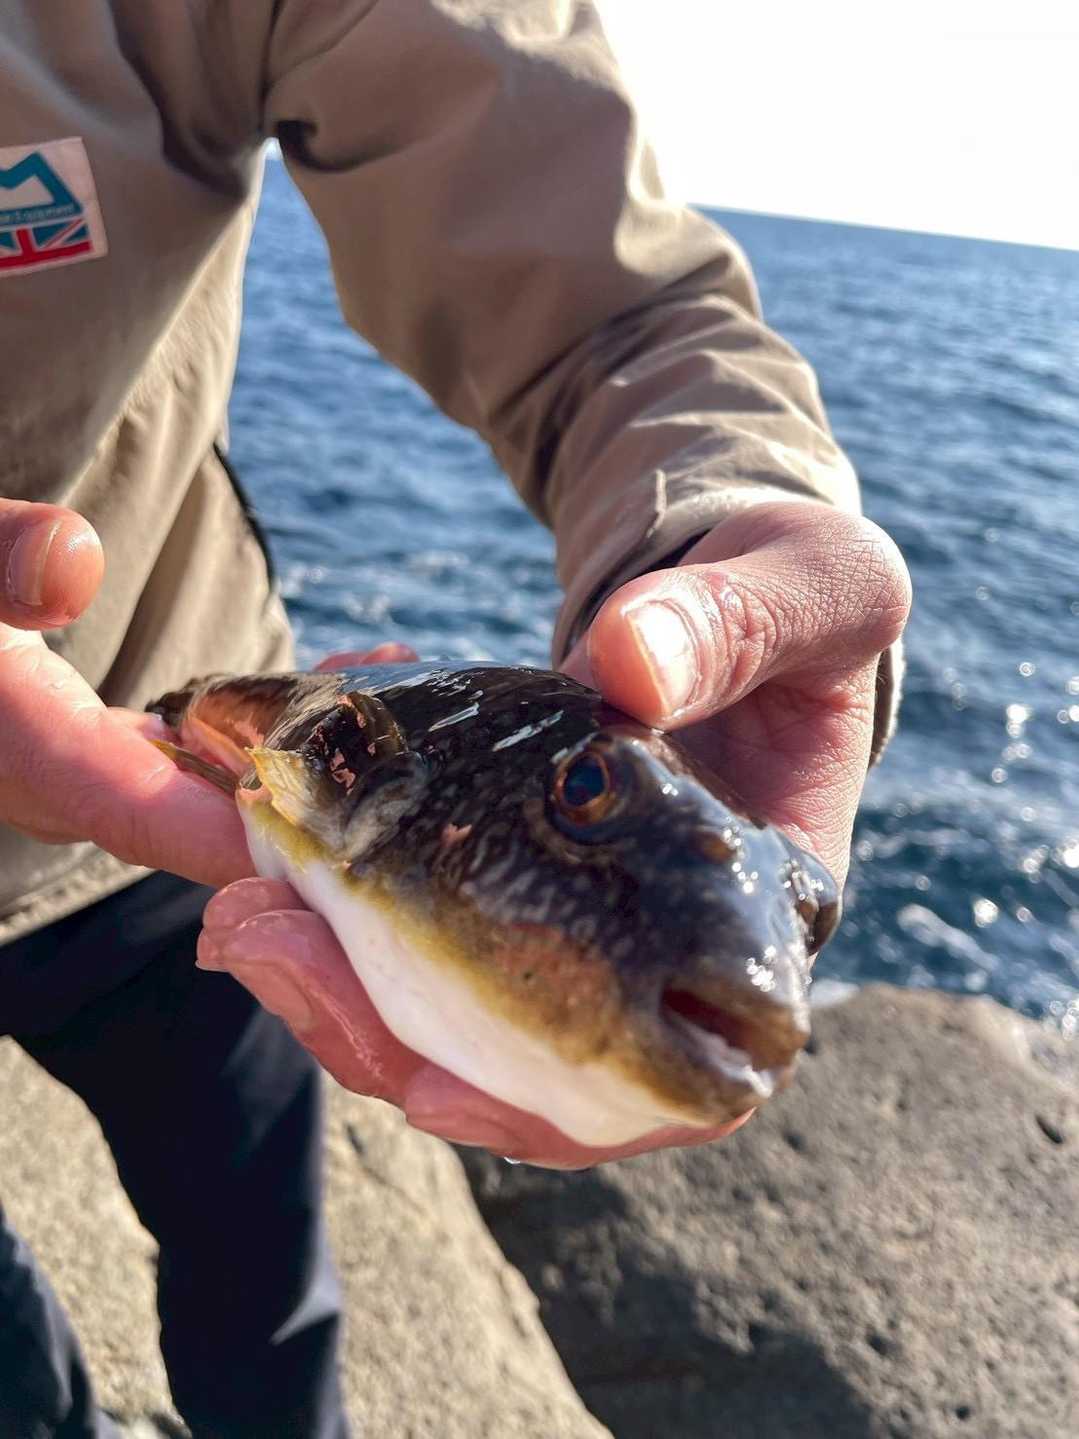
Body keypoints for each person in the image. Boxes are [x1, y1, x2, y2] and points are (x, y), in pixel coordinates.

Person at [0, 2, 911, 1435]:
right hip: (206, 761)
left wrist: (727, 508)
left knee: (260, 1270)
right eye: (587, 807)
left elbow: (600, 287)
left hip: (173, 778)